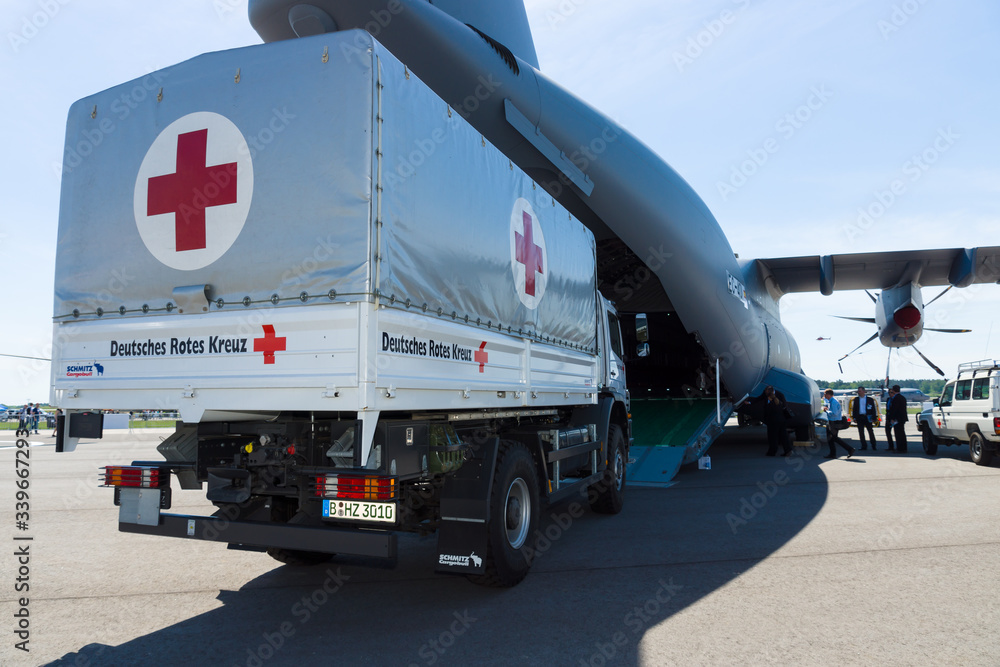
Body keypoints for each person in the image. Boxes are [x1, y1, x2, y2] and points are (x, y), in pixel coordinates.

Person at [823, 389, 855, 459]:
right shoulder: (830, 401)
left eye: (825, 394)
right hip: (831, 421)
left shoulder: (833, 402)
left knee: (834, 438)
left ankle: (850, 449)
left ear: (828, 394)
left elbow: (834, 413)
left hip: (834, 422)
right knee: (830, 439)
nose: (824, 395)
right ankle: (832, 454)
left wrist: (826, 411)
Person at [761, 386, 792, 457]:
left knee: (773, 437)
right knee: (783, 436)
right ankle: (788, 450)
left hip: (773, 421)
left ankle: (772, 451)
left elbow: (768, 411)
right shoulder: (778, 401)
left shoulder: (771, 403)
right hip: (782, 420)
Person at [852, 386, 878, 451]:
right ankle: (864, 446)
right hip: (860, 417)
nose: (858, 392)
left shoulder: (870, 399)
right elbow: (854, 409)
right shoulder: (856, 399)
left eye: (860, 391)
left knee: (870, 431)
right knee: (861, 432)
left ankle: (873, 445)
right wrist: (854, 417)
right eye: (858, 391)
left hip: (868, 417)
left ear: (863, 391)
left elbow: (873, 409)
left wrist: (874, 417)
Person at [887, 384, 908, 453]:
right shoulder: (902, 397)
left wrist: (892, 418)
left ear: (893, 390)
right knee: (902, 433)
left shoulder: (896, 398)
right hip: (902, 418)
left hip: (897, 418)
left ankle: (900, 448)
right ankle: (904, 447)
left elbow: (894, 409)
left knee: (898, 434)